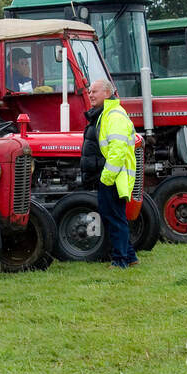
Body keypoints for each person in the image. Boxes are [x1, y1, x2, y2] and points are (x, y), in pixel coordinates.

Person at [85, 78, 138, 268]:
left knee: (115, 218)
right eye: (90, 91)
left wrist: (106, 177)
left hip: (114, 178)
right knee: (113, 217)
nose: (90, 94)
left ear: (107, 94)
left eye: (95, 91)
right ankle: (130, 257)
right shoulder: (105, 114)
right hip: (113, 176)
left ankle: (120, 261)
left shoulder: (114, 116)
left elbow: (117, 151)